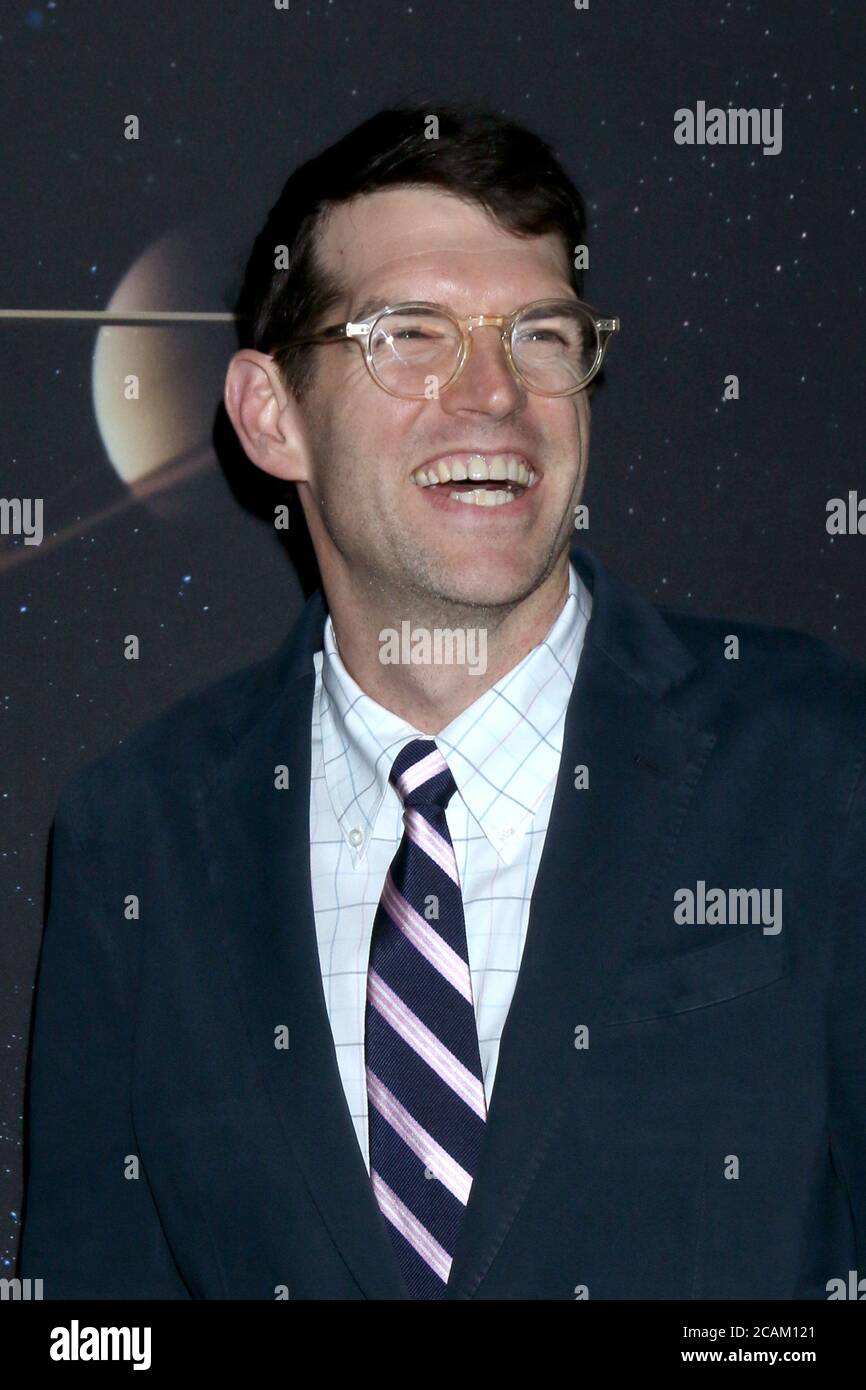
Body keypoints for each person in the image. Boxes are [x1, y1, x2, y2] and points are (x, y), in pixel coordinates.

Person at [19, 106, 866, 1301]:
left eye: (539, 336)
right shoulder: (138, 832)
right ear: (272, 416)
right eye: (410, 335)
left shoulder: (821, 762)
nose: (494, 395)